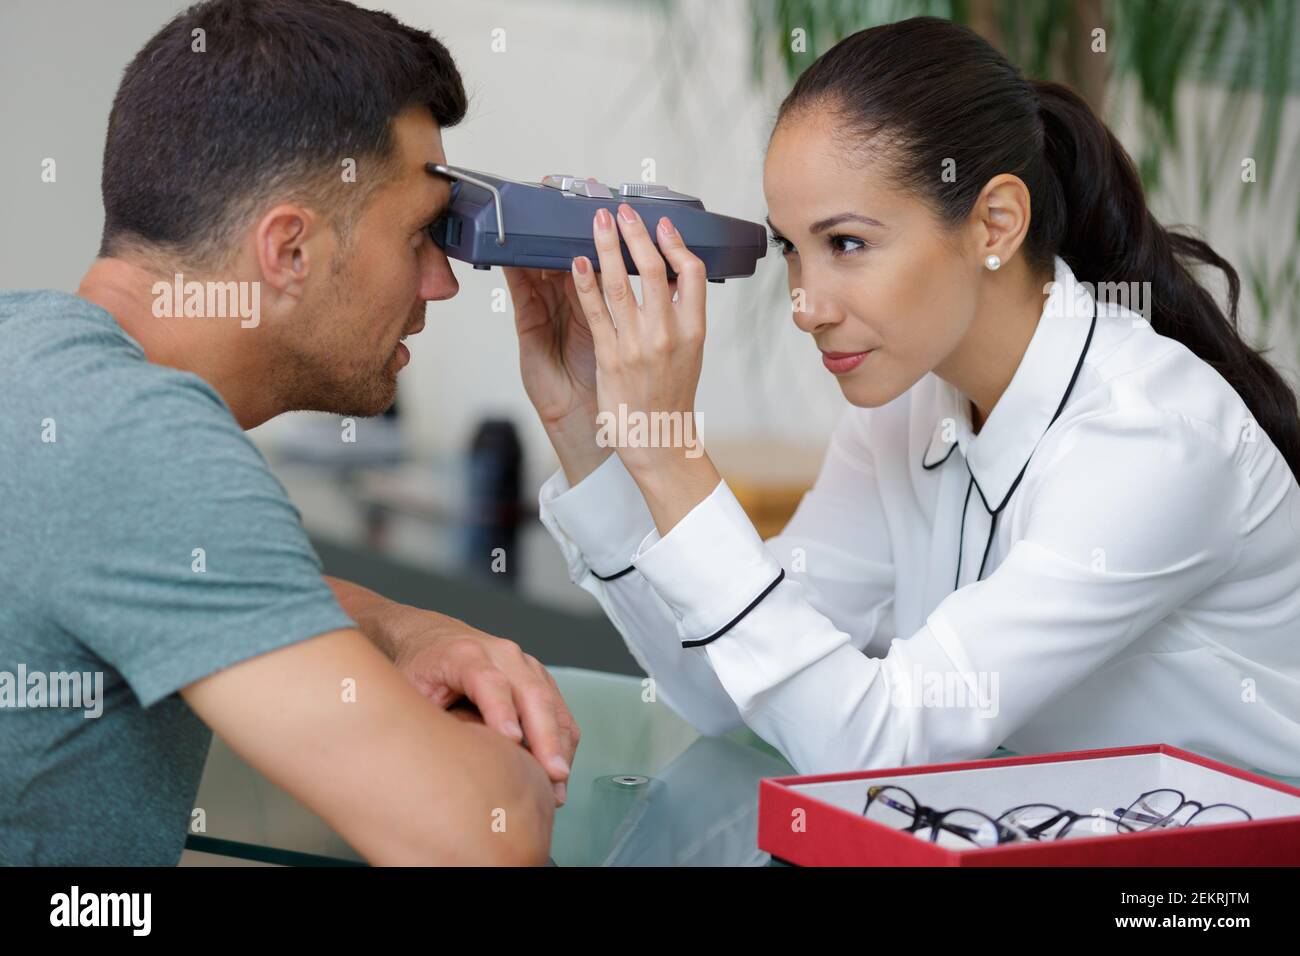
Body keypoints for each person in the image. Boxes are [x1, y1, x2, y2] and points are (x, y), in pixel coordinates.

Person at [509, 17, 1300, 779]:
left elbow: (881, 743)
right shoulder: (904, 407)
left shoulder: (1151, 441)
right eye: (793, 248)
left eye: (847, 244)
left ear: (994, 223)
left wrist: (671, 455)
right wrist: (592, 434)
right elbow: (732, 691)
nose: (805, 304)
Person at [0, 0, 577, 866]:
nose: (441, 284)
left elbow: (163, 570)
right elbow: (475, 845)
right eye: (422, 234)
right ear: (290, 250)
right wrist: (506, 745)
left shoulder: (33, 353)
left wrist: (398, 627)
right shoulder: (146, 443)